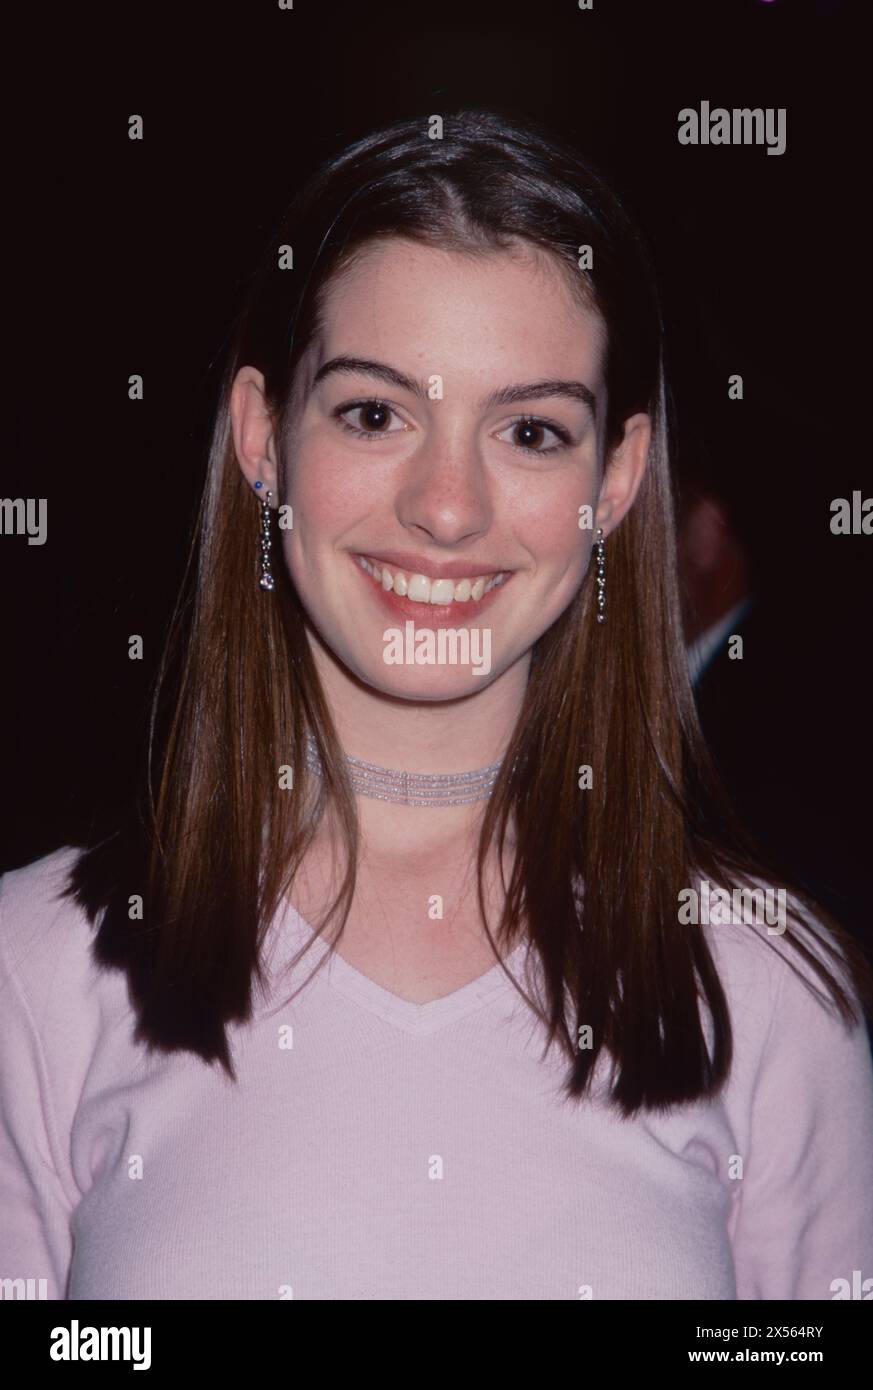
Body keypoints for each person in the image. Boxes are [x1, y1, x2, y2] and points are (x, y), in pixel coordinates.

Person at [1, 110, 871, 1302]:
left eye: (528, 430)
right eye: (375, 412)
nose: (448, 507)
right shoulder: (32, 973)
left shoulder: (766, 991)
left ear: (613, 482)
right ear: (264, 438)